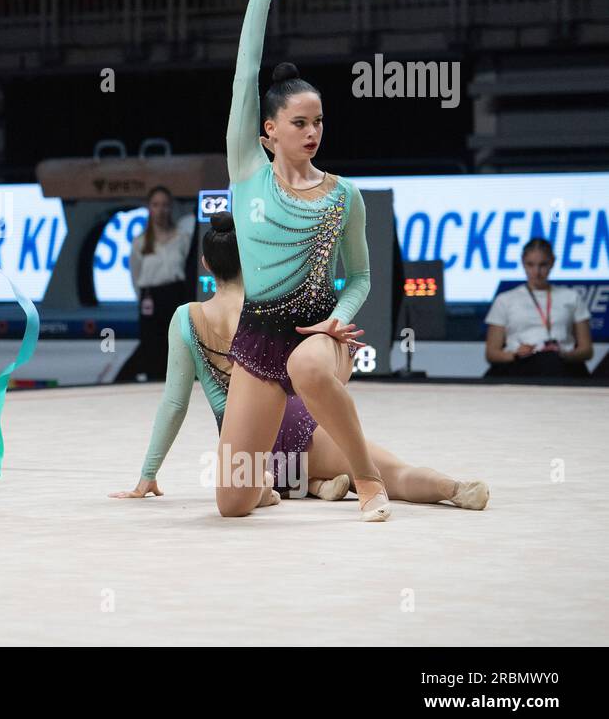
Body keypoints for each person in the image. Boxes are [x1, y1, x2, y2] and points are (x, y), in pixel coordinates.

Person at [109, 213, 489, 512]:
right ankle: (451, 488)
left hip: (243, 436)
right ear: (253, 260)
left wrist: (148, 475)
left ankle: (276, 488)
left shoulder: (185, 318)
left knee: (245, 485)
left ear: (207, 264)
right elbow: (314, 372)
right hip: (296, 424)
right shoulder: (274, 306)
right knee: (390, 472)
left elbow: (174, 404)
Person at [219, 0, 390, 521]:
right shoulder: (247, 174)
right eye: (298, 123)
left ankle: (368, 483)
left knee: (310, 369)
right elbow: (246, 77)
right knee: (232, 502)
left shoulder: (344, 196)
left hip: (321, 334)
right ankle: (283, 484)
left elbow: (361, 275)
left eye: (318, 121)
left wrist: (339, 318)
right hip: (258, 337)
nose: (312, 132)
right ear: (268, 131)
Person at [117, 187, 195, 382]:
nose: (161, 210)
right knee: (151, 348)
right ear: (149, 208)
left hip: (175, 295)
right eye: (156, 205)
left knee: (175, 347)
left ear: (171, 208)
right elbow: (135, 274)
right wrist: (144, 297)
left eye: (165, 205)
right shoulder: (140, 242)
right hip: (151, 298)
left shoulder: (181, 238)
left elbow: (187, 268)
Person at [484, 237, 593, 378]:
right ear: (523, 263)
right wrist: (515, 354)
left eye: (543, 265)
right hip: (519, 365)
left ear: (552, 262)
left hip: (562, 365)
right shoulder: (505, 300)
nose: (537, 271)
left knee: (551, 362)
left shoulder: (571, 297)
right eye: (530, 265)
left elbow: (586, 350)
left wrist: (566, 354)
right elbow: (491, 353)